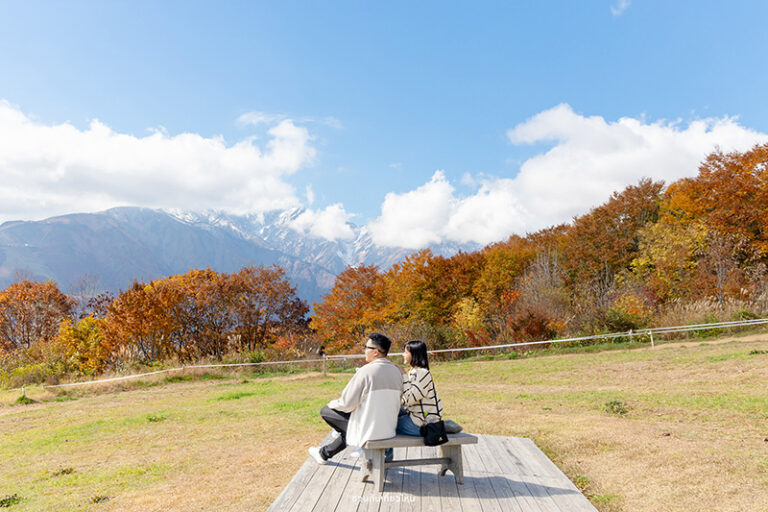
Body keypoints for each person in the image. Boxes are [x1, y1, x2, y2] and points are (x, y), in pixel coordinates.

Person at [308, 333, 403, 465]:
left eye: (366, 347)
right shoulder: (396, 372)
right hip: (390, 428)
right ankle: (323, 453)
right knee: (349, 426)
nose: (364, 350)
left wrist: (332, 403)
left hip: (370, 430)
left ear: (375, 352)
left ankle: (323, 453)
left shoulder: (366, 371)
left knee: (326, 411)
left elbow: (347, 403)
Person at [397, 339, 442, 435]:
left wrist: (403, 375)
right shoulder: (414, 372)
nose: (403, 355)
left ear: (414, 354)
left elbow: (410, 399)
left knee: (387, 425)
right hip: (416, 416)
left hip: (422, 424)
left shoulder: (423, 373)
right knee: (390, 416)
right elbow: (406, 399)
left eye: (405, 352)